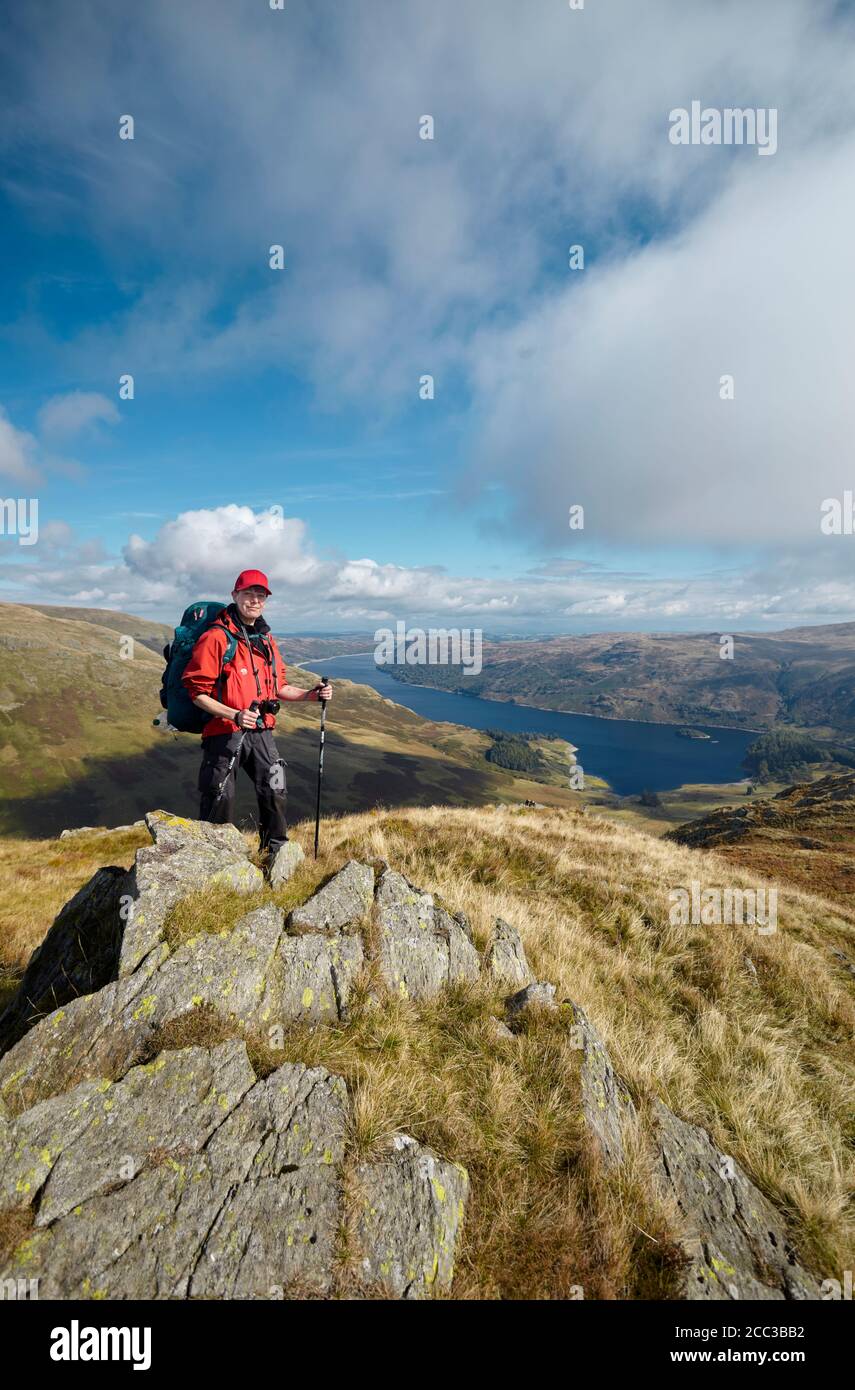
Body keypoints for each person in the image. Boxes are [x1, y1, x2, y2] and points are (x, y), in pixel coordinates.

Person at [181, 569, 332, 875]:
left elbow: (279, 687)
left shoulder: (266, 639)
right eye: (248, 593)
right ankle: (215, 862)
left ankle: (275, 853)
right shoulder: (215, 638)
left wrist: (311, 695)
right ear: (235, 595)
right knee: (220, 794)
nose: (255, 600)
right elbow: (196, 693)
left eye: (260, 595)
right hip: (223, 732)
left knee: (276, 787)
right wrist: (233, 714)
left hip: (261, 731)